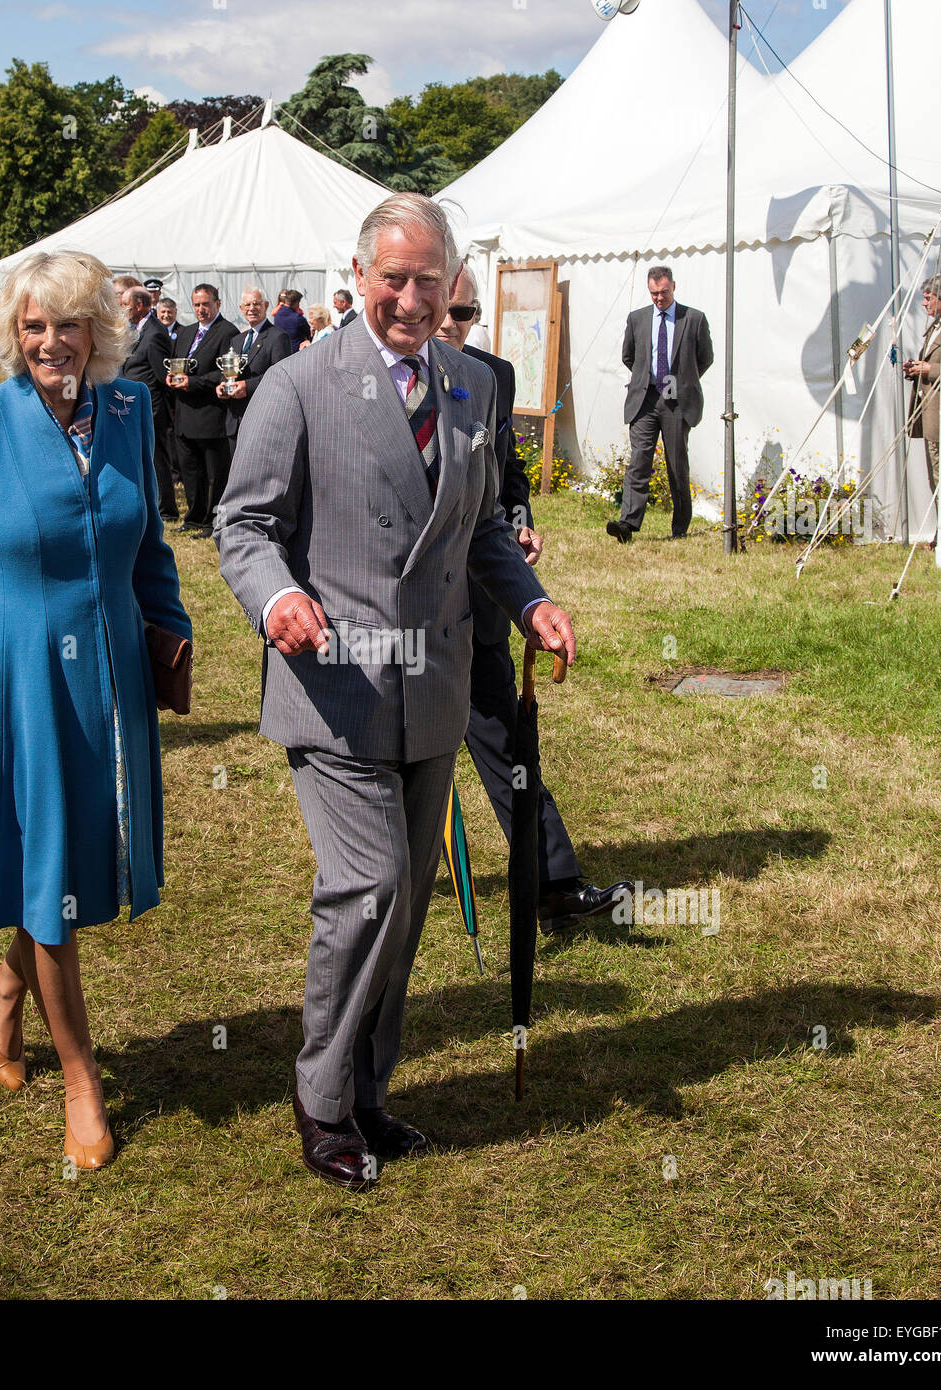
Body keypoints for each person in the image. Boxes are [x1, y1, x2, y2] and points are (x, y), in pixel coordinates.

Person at [216, 192, 576, 1191]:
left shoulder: (469, 387)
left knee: (405, 905)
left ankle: (370, 1089)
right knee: (367, 887)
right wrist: (278, 596)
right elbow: (240, 528)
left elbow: (484, 530)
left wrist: (533, 603)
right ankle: (321, 1099)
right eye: (393, 279)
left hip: (435, 690)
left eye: (429, 282)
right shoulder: (296, 385)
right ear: (360, 274)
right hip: (335, 685)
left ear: (450, 281)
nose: (410, 300)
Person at [0, 249, 191, 1172]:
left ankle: (3, 983)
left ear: (98, 332)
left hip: (109, 672)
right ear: (9, 334)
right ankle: (82, 1081)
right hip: (9, 669)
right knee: (50, 858)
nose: (50, 342)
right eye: (31, 326)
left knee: (59, 854)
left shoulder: (132, 411)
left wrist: (170, 633)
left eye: (67, 324)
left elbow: (149, 547)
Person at [436, 268, 632, 932]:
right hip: (389, 620)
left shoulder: (492, 376)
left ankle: (552, 885)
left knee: (505, 739)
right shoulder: (359, 374)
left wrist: (516, 520)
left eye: (463, 311)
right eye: (444, 307)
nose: (448, 322)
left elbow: (506, 474)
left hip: (479, 597)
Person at [608, 266, 713, 543]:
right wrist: (647, 379)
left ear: (673, 287)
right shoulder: (637, 318)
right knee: (638, 461)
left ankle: (680, 526)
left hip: (677, 402)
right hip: (645, 400)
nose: (659, 298)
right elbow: (628, 356)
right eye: (654, 293)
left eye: (664, 292)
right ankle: (627, 525)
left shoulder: (694, 319)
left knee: (677, 465)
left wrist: (684, 381)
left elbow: (705, 358)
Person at [165, 283, 237, 535]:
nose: (201, 309)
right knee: (190, 470)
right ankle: (193, 516)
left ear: (218, 304)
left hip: (210, 414)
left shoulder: (228, 331)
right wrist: (173, 378)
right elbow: (177, 362)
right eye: (197, 305)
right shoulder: (187, 332)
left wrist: (192, 382)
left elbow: (226, 372)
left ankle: (211, 519)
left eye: (206, 304)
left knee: (214, 474)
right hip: (185, 414)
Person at [122, 283, 178, 519]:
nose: (123, 309)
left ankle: (166, 508)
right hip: (134, 405)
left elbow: (161, 375)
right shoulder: (138, 329)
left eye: (126, 304)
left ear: (139, 306)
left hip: (152, 407)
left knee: (157, 458)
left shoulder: (155, 333)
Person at [215, 286, 291, 445]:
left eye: (256, 304)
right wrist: (222, 385)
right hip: (234, 420)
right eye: (247, 305)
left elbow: (281, 376)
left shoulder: (278, 337)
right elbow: (230, 372)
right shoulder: (237, 340)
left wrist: (247, 386)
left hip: (261, 419)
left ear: (266, 305)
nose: (251, 309)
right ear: (241, 309)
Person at [905, 274, 941, 508]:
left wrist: (930, 369)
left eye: (929, 298)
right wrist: (915, 368)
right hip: (928, 412)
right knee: (933, 475)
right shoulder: (935, 326)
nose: (924, 303)